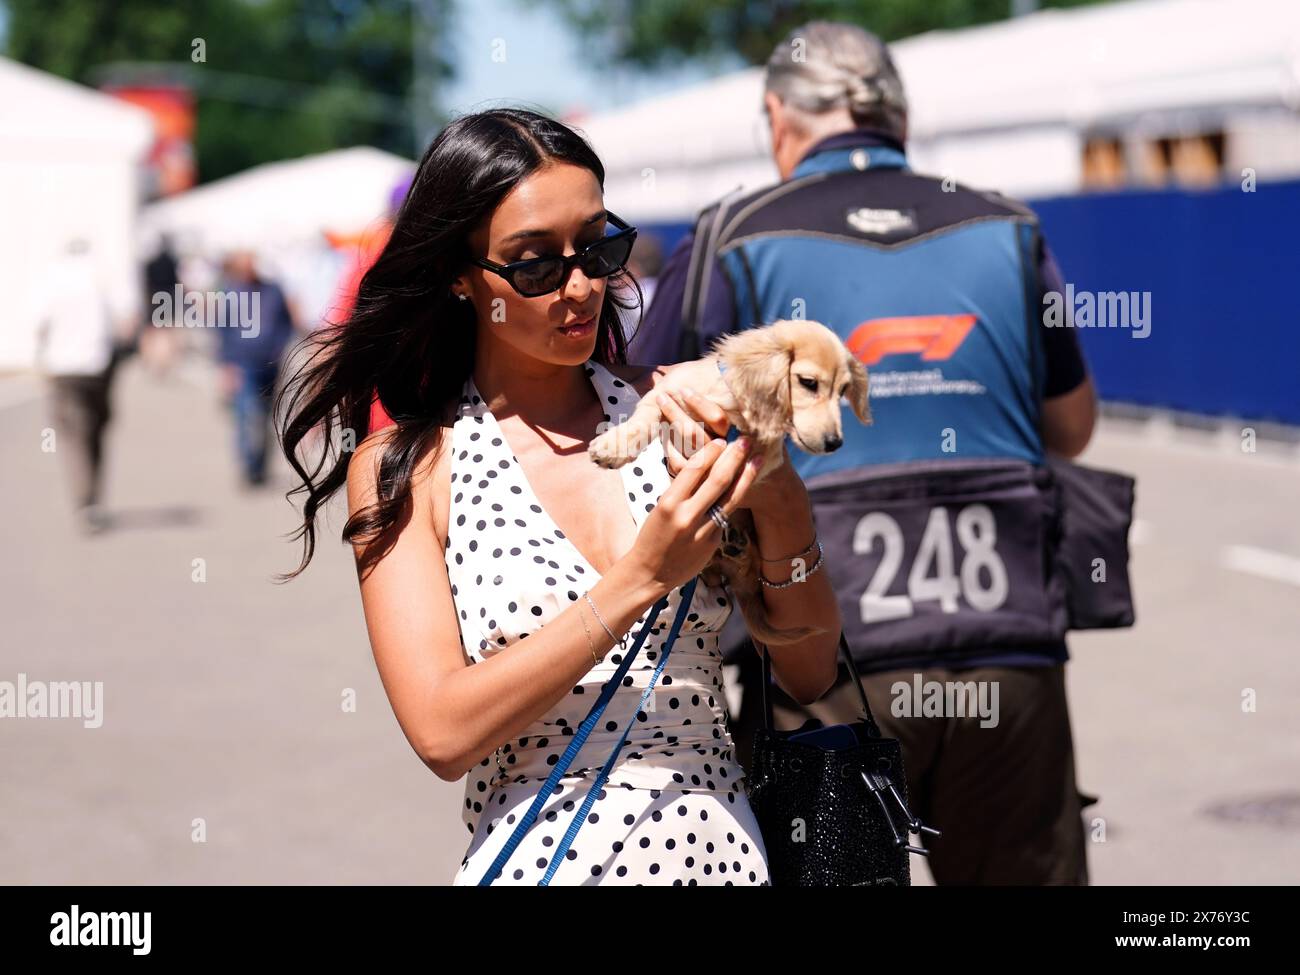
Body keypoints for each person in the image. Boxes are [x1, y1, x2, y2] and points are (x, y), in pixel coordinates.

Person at [276, 108, 842, 886]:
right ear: (460, 275)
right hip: (545, 860)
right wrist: (640, 577)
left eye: (599, 247)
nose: (579, 286)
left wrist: (777, 494)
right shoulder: (409, 465)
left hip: (721, 855)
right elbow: (442, 732)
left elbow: (812, 669)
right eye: (534, 265)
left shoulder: (684, 406)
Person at [638, 21, 1099, 885]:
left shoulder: (731, 233)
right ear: (899, 116)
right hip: (1006, 637)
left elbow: (647, 407)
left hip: (822, 656)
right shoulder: (1009, 224)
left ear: (779, 117)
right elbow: (1072, 427)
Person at [30, 238, 120, 533]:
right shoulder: (99, 279)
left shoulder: (54, 280)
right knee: (94, 430)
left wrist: (41, 358)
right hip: (97, 365)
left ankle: (85, 500)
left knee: (73, 434)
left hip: (64, 368)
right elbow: (115, 321)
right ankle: (91, 497)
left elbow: (41, 323)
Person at [215, 250, 297, 486]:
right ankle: (248, 464)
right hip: (242, 363)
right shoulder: (230, 292)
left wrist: (279, 348)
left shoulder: (273, 290)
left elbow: (286, 323)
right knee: (245, 413)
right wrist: (226, 365)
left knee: (265, 415)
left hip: (270, 362)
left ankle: (261, 464)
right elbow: (221, 331)